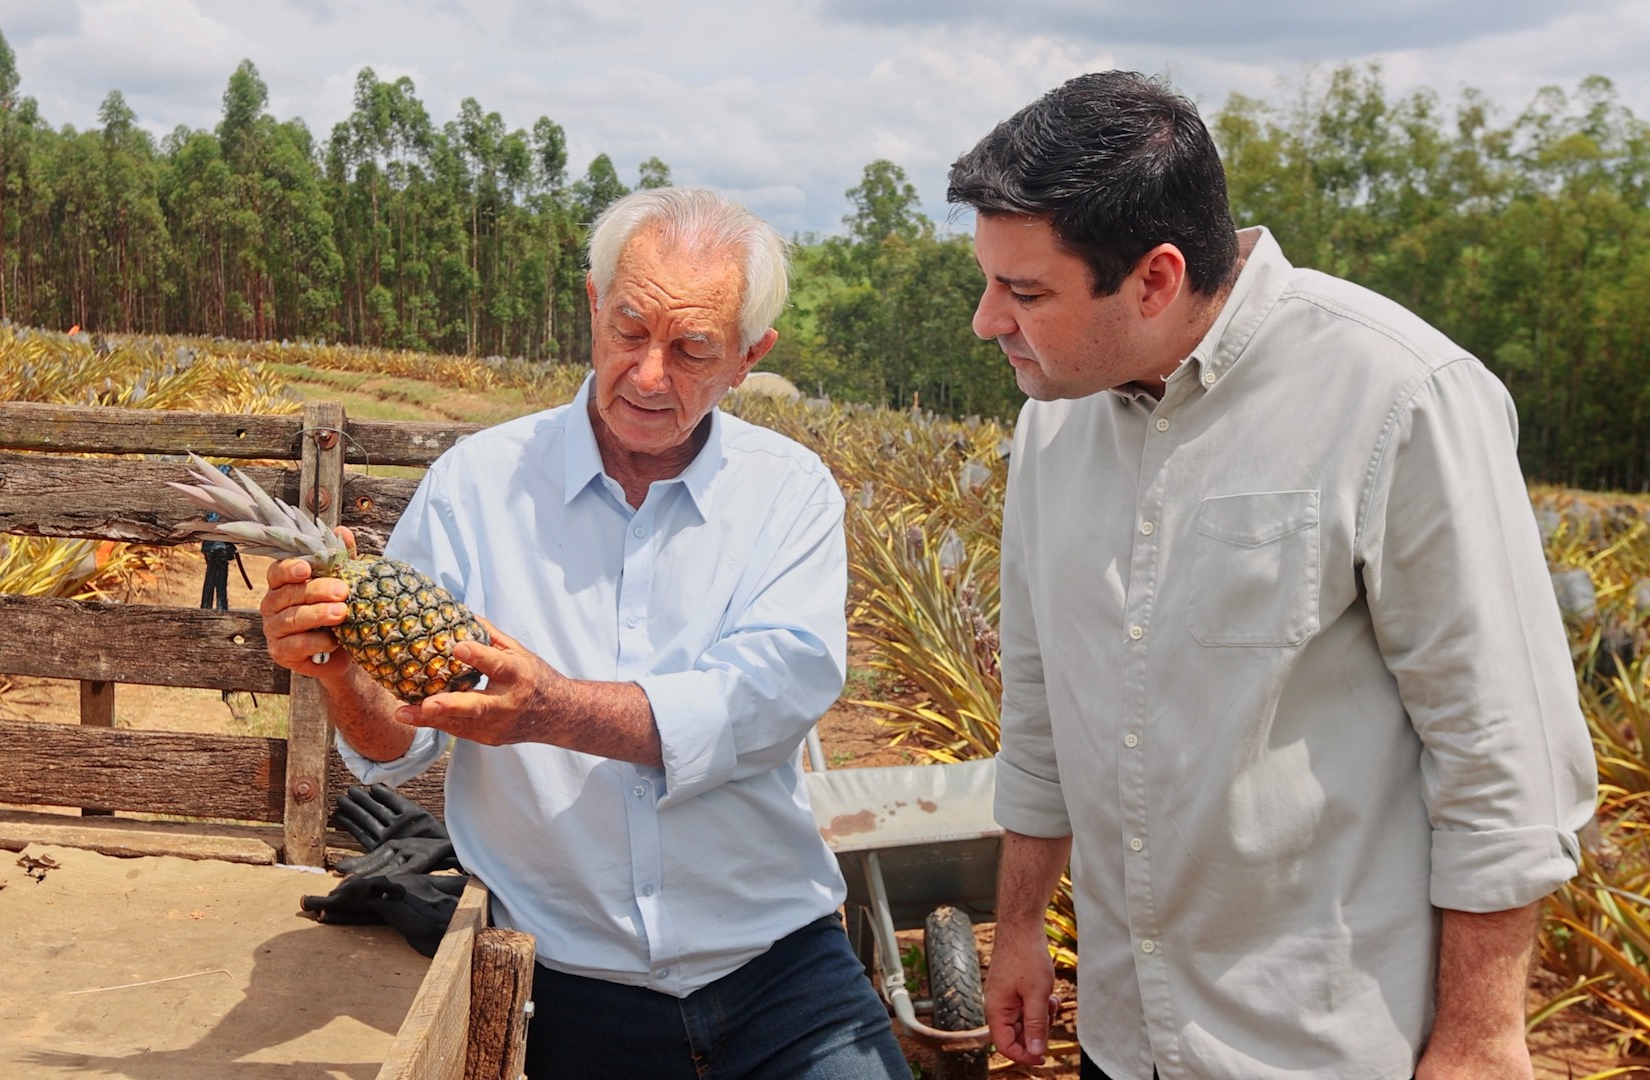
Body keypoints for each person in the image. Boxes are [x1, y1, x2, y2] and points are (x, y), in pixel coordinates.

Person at [947, 71, 1598, 1080]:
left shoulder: (1398, 397)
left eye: (1026, 292)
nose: (988, 321)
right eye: (990, 281)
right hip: (1125, 1036)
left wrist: (1480, 1034)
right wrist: (1021, 924)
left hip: (1323, 1047)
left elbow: (1500, 744)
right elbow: (1042, 698)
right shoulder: (1051, 425)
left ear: (1156, 280)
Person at [260, 187, 910, 1079]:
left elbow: (763, 701)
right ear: (594, 307)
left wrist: (549, 710)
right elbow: (393, 740)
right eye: (630, 331)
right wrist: (339, 671)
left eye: (691, 349)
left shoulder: (788, 494)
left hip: (777, 971)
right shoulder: (476, 487)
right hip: (560, 983)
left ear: (747, 359)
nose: (649, 374)